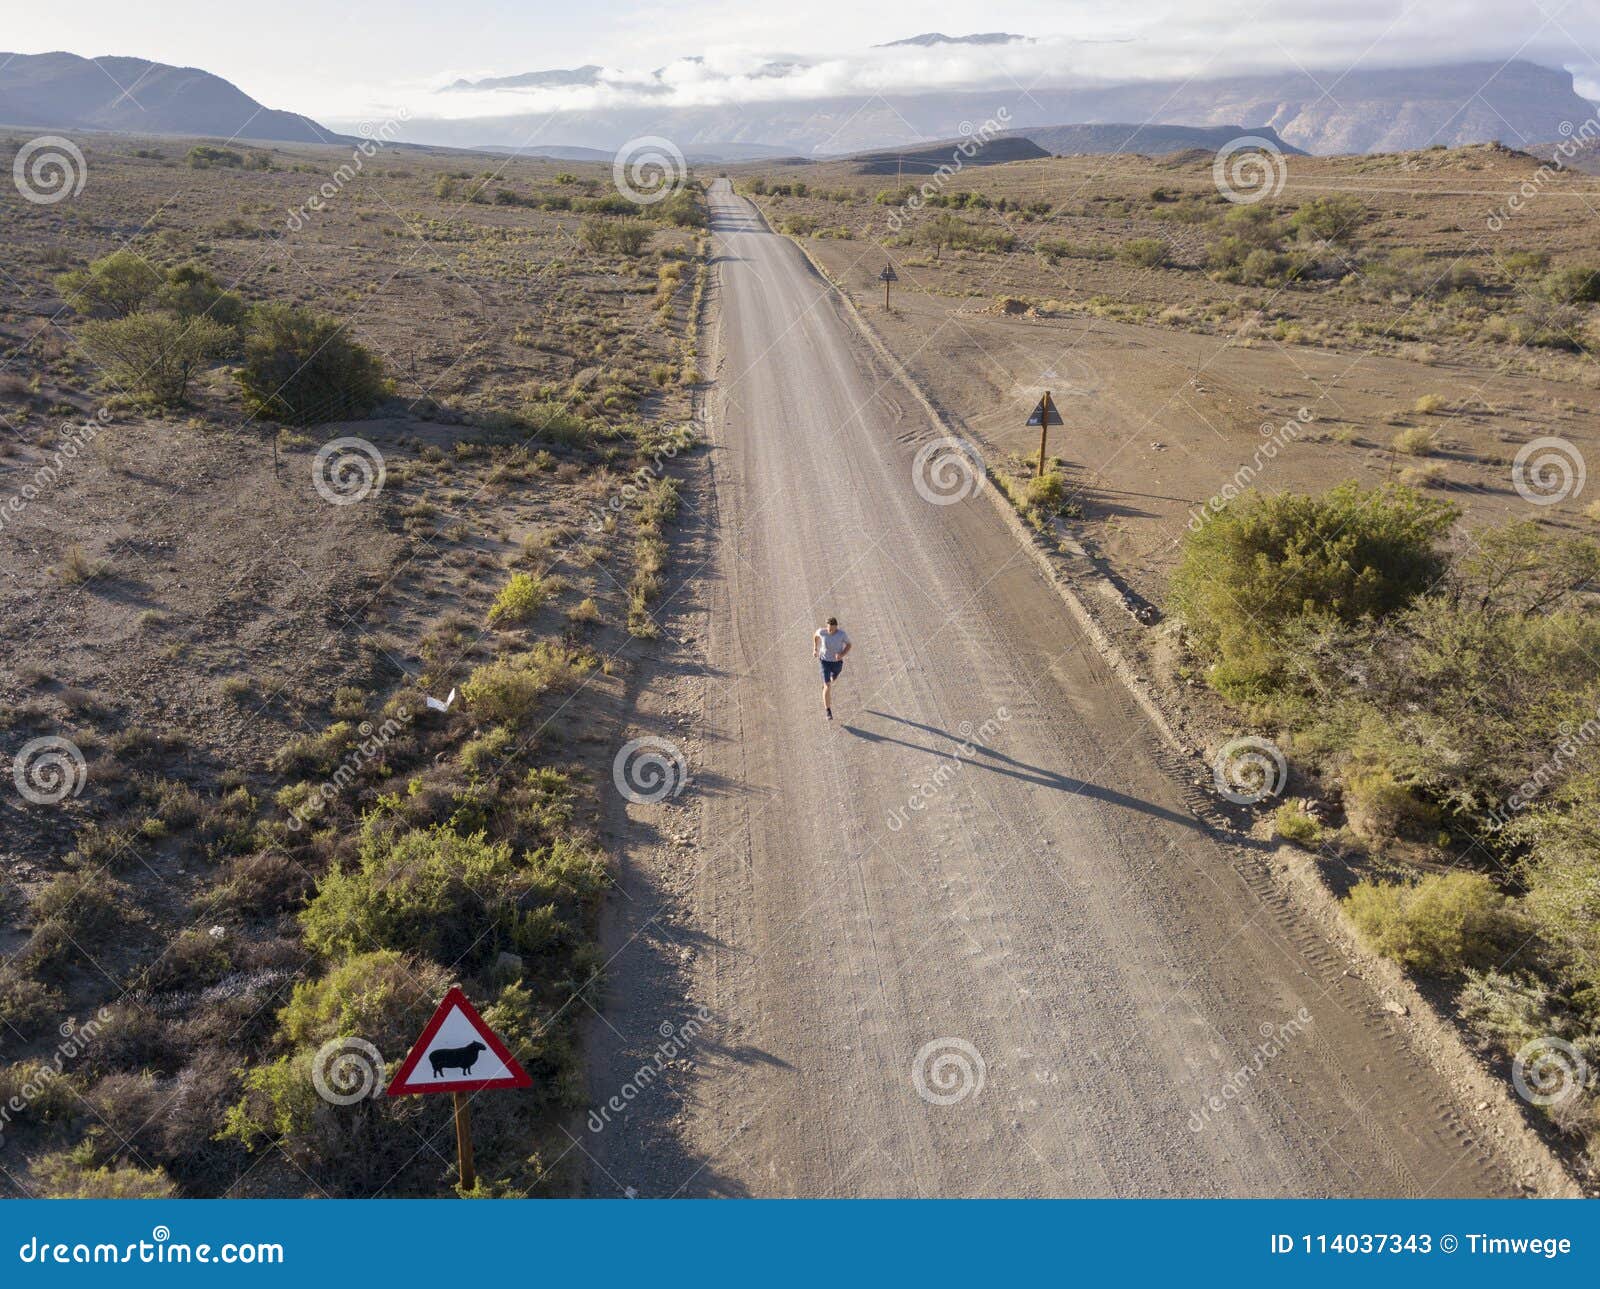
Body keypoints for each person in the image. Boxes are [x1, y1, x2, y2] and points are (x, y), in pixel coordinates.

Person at [813, 616, 851, 720]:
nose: (831, 631)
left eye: (833, 629)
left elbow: (849, 645)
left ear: (836, 627)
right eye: (829, 629)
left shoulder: (842, 634)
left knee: (833, 678)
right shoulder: (822, 632)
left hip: (837, 662)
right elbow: (815, 636)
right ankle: (828, 711)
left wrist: (842, 654)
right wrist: (815, 649)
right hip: (824, 661)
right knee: (828, 686)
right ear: (827, 626)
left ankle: (829, 681)